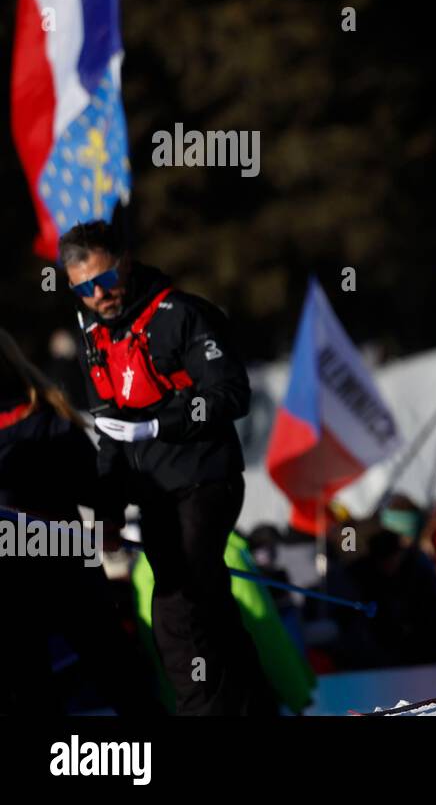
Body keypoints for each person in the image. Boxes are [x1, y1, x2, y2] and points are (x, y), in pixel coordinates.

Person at [58, 220, 275, 714]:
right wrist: (109, 514)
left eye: (105, 279)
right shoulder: (96, 340)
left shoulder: (180, 315)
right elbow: (111, 436)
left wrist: (160, 424)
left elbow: (231, 394)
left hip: (205, 478)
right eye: (84, 288)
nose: (100, 295)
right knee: (210, 604)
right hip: (154, 492)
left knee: (176, 607)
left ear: (124, 263)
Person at [0, 329, 162, 715]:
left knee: (117, 675)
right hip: (23, 579)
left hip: (61, 565)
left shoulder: (45, 419)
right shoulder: (40, 422)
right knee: (32, 690)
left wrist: (108, 522)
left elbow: (96, 486)